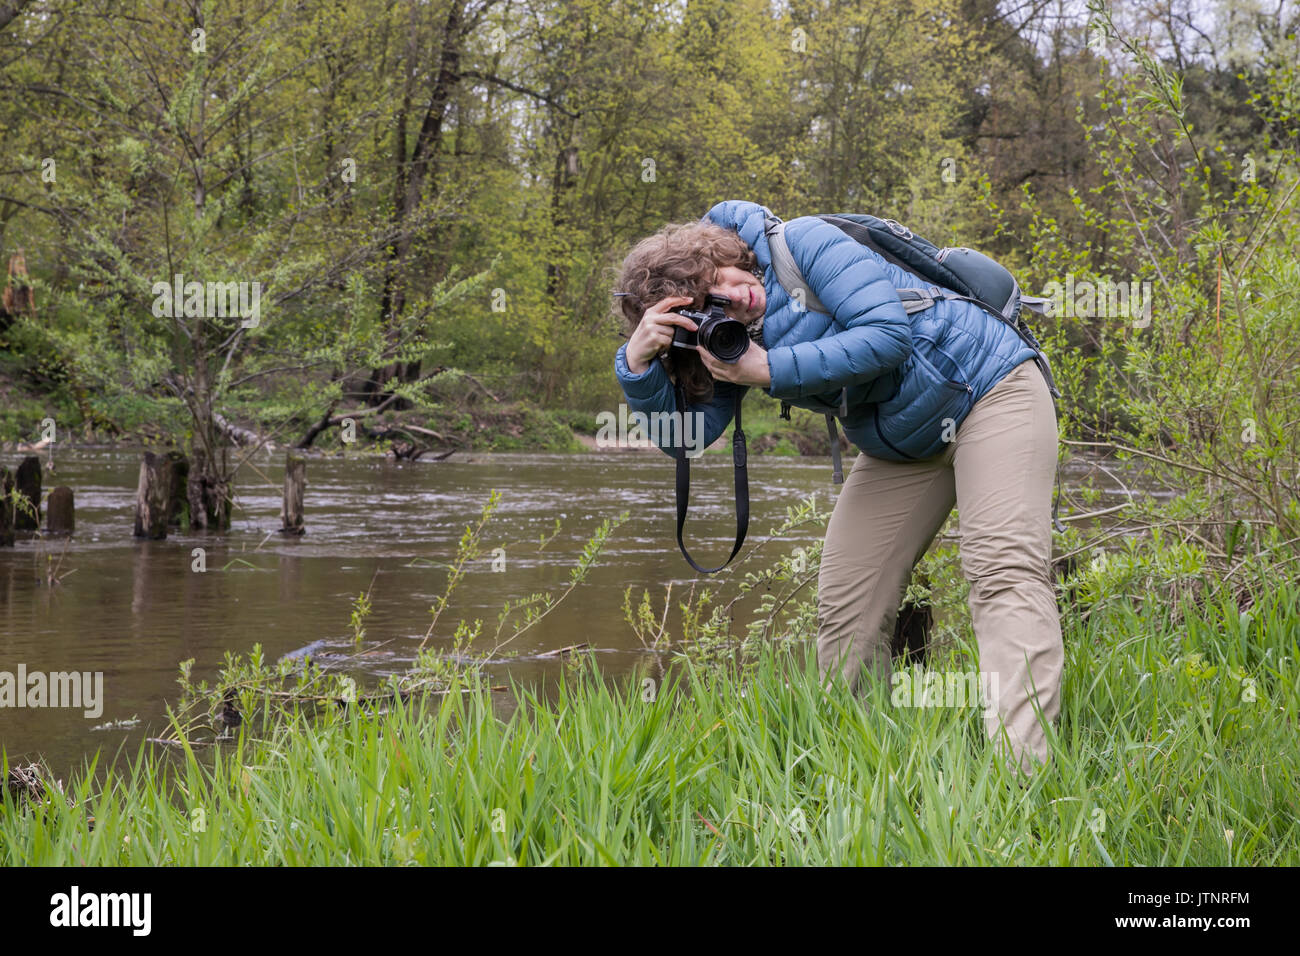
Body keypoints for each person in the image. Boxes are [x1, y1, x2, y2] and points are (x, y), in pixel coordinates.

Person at [612, 199, 1063, 775]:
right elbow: (689, 437)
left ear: (717, 253)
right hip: (905, 438)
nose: (730, 298)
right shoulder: (722, 338)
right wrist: (638, 365)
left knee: (1002, 571)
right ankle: (856, 768)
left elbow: (885, 335)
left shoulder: (804, 244)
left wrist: (766, 370)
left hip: (992, 386)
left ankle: (1020, 775)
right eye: (704, 307)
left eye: (717, 281)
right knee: (849, 598)